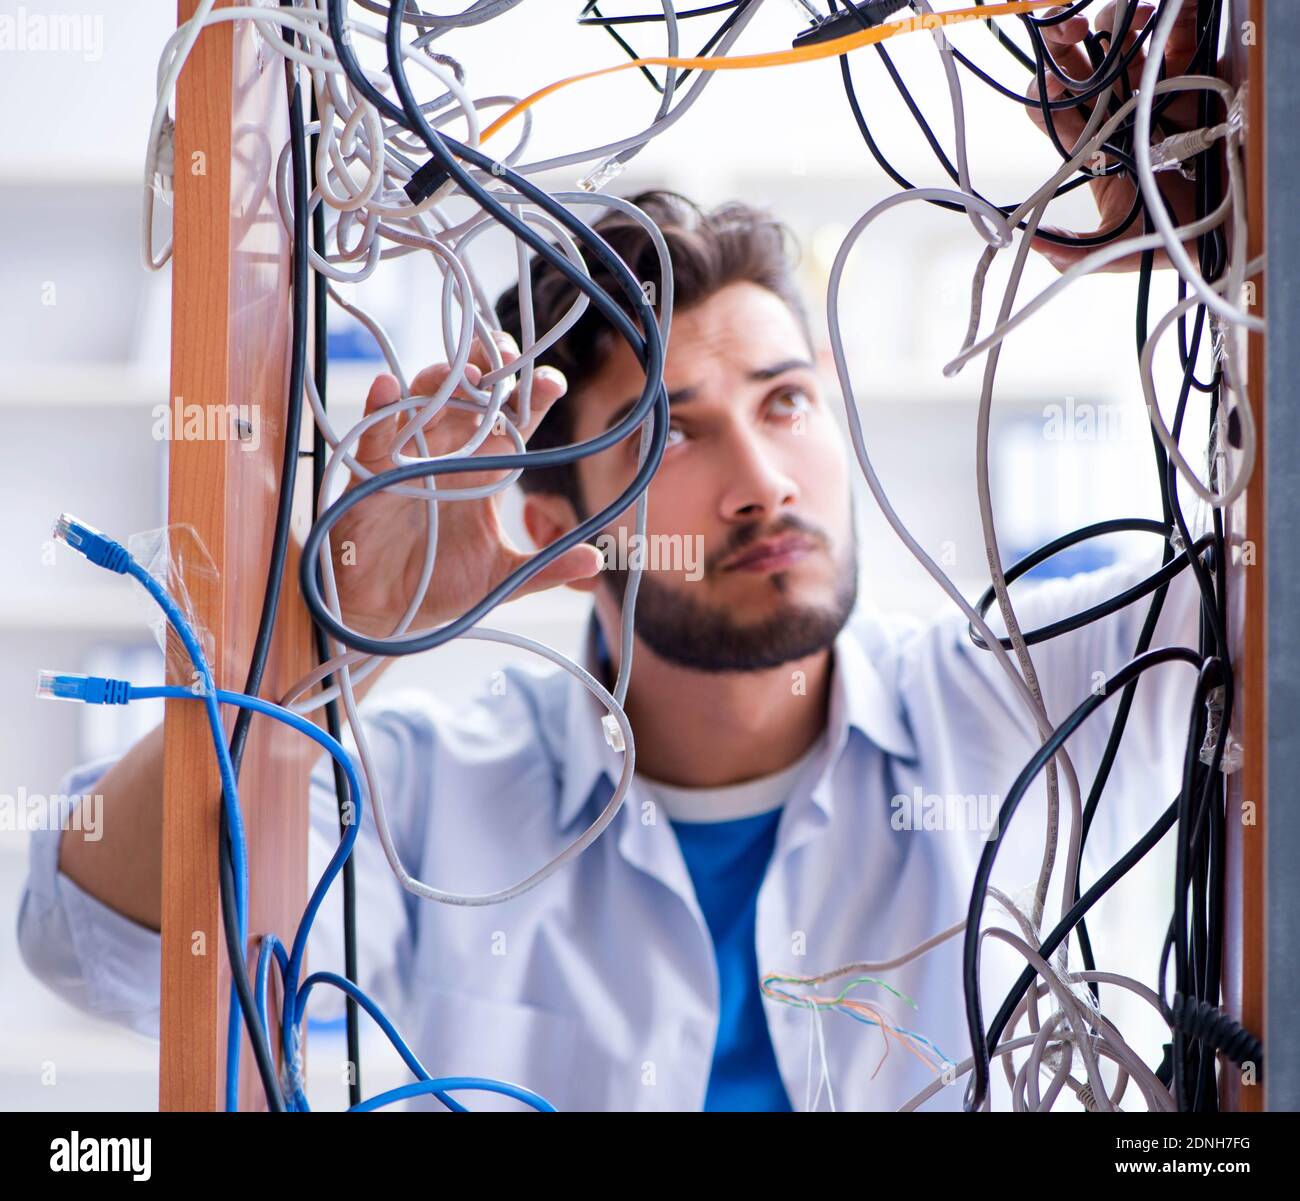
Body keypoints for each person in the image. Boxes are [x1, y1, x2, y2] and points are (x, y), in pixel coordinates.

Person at [19, 6, 1207, 1111]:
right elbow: (98, 947)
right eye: (671, 432)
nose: (764, 481)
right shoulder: (439, 798)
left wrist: (1207, 224)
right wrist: (317, 637)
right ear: (554, 517)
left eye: (784, 401)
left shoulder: (1033, 697)